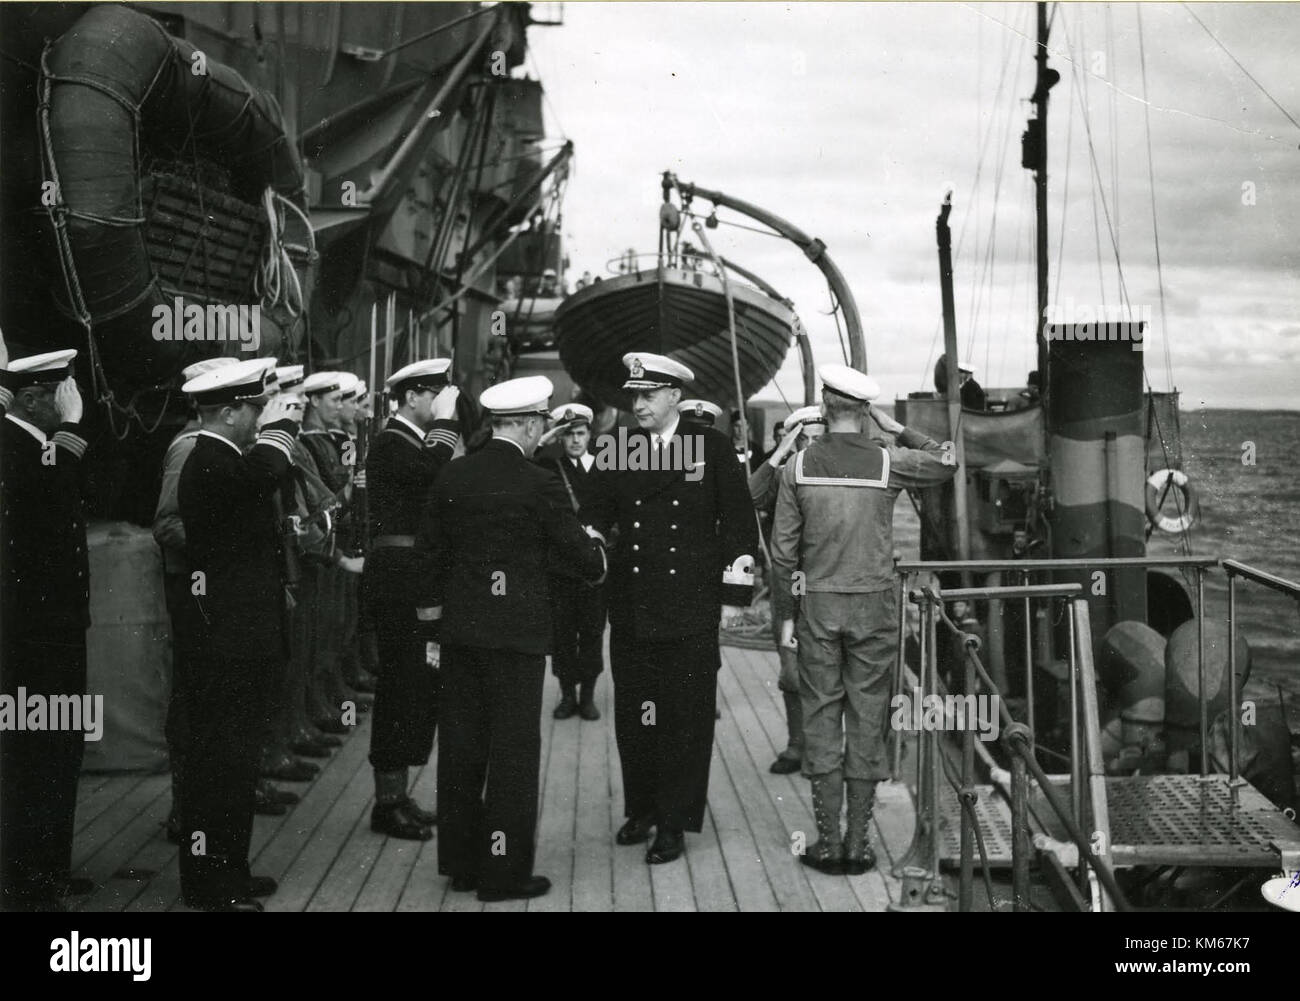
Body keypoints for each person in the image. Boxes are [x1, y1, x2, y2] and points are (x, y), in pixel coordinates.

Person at [418, 375, 605, 901]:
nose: (541, 433)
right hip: (517, 639)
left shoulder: (453, 475)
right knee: (513, 757)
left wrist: (433, 630)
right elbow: (579, 557)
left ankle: (461, 864)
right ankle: (503, 874)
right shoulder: (537, 482)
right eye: (539, 424)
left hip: (460, 636)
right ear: (524, 423)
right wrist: (594, 548)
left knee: (460, 749)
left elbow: (428, 557)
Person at [770, 364, 956, 876]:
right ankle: (859, 845)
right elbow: (946, 459)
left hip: (819, 609)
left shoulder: (798, 467)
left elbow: (783, 556)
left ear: (825, 404)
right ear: (863, 410)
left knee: (821, 717)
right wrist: (897, 427)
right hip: (875, 606)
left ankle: (827, 845)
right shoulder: (887, 461)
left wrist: (785, 616)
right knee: (869, 715)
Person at [587, 353, 758, 865]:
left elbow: (739, 524)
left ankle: (673, 821)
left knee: (685, 719)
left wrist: (732, 598)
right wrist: (590, 537)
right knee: (636, 716)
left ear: (674, 396)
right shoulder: (618, 447)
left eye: (648, 395)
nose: (637, 404)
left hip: (691, 608)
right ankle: (640, 809)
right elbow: (592, 511)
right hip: (634, 604)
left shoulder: (712, 447)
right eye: (633, 396)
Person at [176, 357, 301, 911]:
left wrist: (271, 425)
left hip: (241, 638)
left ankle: (230, 870)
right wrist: (282, 426)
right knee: (220, 767)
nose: (259, 417)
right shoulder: (209, 461)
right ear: (228, 411)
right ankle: (211, 886)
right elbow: (267, 472)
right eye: (253, 408)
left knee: (236, 763)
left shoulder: (227, 459)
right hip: (227, 643)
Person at [0, 349, 92, 911]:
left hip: (53, 630)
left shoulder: (37, 449)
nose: (70, 400)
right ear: (34, 398)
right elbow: (52, 501)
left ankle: (46, 870)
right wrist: (74, 433)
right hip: (32, 637)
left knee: (58, 751)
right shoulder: (13, 449)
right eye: (63, 391)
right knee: (37, 755)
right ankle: (27, 880)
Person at [364, 358, 461, 841]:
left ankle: (398, 795)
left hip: (415, 575)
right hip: (399, 578)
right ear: (411, 398)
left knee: (417, 683)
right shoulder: (390, 443)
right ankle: (387, 804)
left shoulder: (411, 442)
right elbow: (430, 471)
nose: (442, 402)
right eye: (435, 395)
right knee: (401, 685)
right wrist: (447, 420)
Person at [748, 404, 827, 775]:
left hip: (828, 588)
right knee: (791, 669)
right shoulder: (782, 478)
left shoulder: (836, 477)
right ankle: (798, 746)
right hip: (789, 592)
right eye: (803, 441)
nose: (810, 447)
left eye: (817, 440)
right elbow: (749, 495)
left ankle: (823, 749)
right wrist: (779, 454)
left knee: (828, 671)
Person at [534, 403, 607, 720]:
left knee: (592, 631)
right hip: (561, 565)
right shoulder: (550, 467)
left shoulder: (606, 467)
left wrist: (602, 534)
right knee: (562, 634)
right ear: (560, 439)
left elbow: (616, 508)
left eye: (580, 433)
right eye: (569, 435)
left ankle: (588, 696)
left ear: (591, 435)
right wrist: (543, 439)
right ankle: (567, 696)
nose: (575, 440)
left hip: (594, 567)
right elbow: (520, 464)